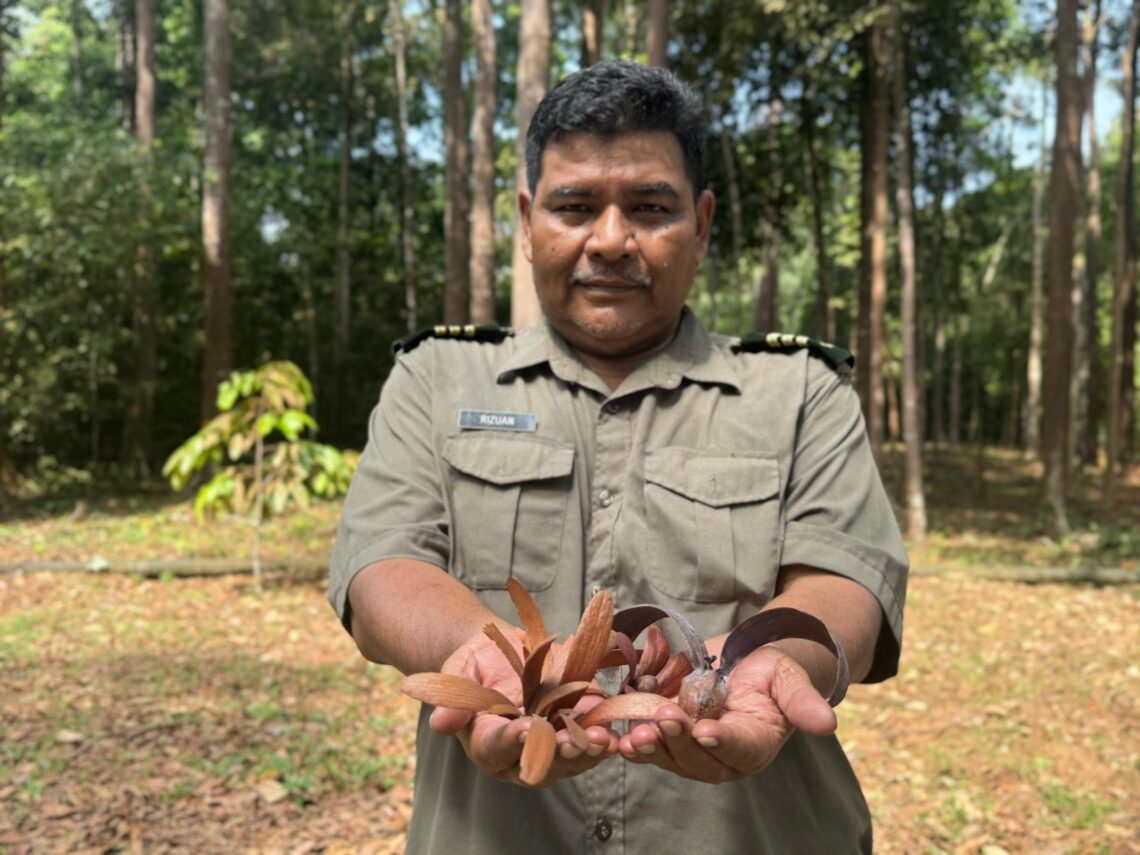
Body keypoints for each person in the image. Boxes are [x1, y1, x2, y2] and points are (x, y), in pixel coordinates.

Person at [329, 60, 908, 854]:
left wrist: (767, 659)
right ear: (527, 220)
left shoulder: (799, 390)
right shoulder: (437, 378)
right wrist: (492, 657)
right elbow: (380, 567)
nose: (609, 240)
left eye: (650, 207)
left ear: (702, 223)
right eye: (574, 206)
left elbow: (847, 586)